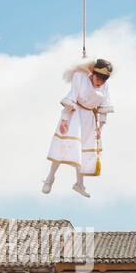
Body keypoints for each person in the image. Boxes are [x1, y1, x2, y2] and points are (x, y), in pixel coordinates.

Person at [42, 58, 114, 198]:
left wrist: (100, 128)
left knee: (83, 152)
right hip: (74, 115)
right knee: (63, 146)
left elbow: (104, 107)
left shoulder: (105, 86)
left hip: (90, 120)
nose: (100, 82)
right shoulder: (80, 76)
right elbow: (72, 97)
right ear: (93, 73)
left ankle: (79, 184)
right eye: (98, 78)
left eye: (103, 80)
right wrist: (65, 119)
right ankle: (50, 178)